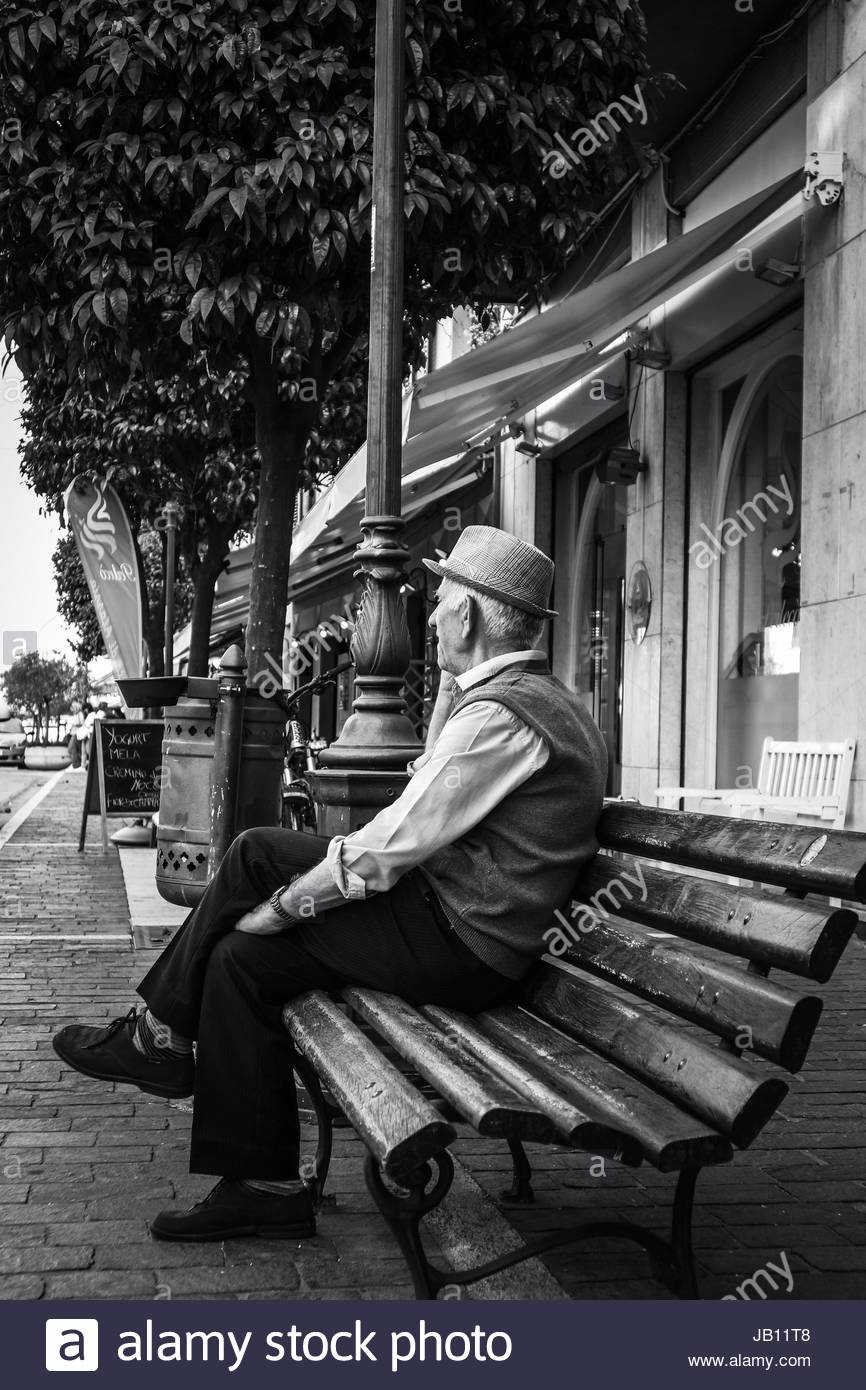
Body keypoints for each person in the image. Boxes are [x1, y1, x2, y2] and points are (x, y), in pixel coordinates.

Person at [53, 526, 608, 1243]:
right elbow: (428, 784)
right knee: (237, 958)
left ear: (468, 618)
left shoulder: (503, 718)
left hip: (464, 942)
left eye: (441, 604)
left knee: (255, 865)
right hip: (462, 925)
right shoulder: (528, 701)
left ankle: (159, 1037)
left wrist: (285, 908)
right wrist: (447, 681)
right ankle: (262, 1184)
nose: (430, 617)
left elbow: (388, 848)